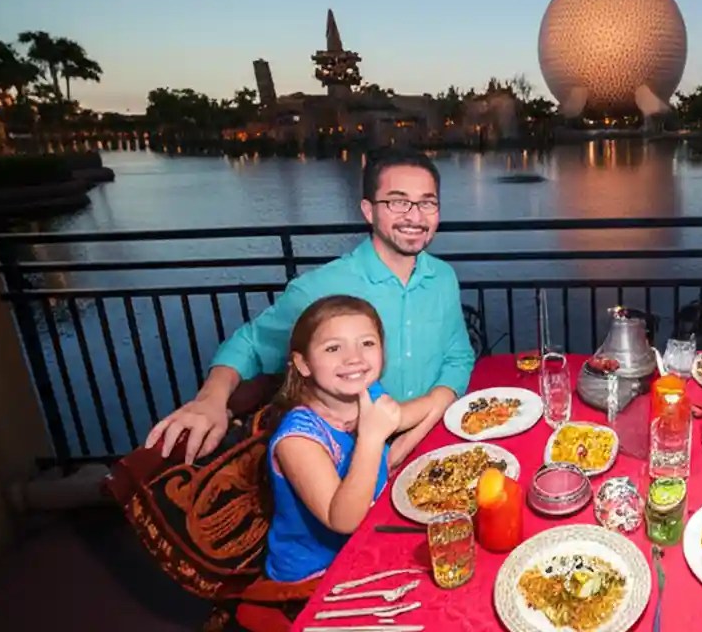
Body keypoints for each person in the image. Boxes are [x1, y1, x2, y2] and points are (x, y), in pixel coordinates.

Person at [145, 149, 475, 465]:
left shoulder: (442, 277)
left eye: (427, 203)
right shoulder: (320, 288)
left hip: (433, 437)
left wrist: (431, 407)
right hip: (352, 460)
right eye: (398, 202)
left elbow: (457, 356)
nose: (415, 216)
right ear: (368, 210)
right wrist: (211, 400)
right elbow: (249, 343)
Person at [266, 295, 439, 582]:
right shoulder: (298, 440)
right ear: (303, 363)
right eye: (333, 348)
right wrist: (371, 439)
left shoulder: (367, 394)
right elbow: (343, 520)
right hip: (318, 574)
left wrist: (441, 397)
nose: (353, 358)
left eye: (367, 343)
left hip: (372, 536)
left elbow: (421, 408)